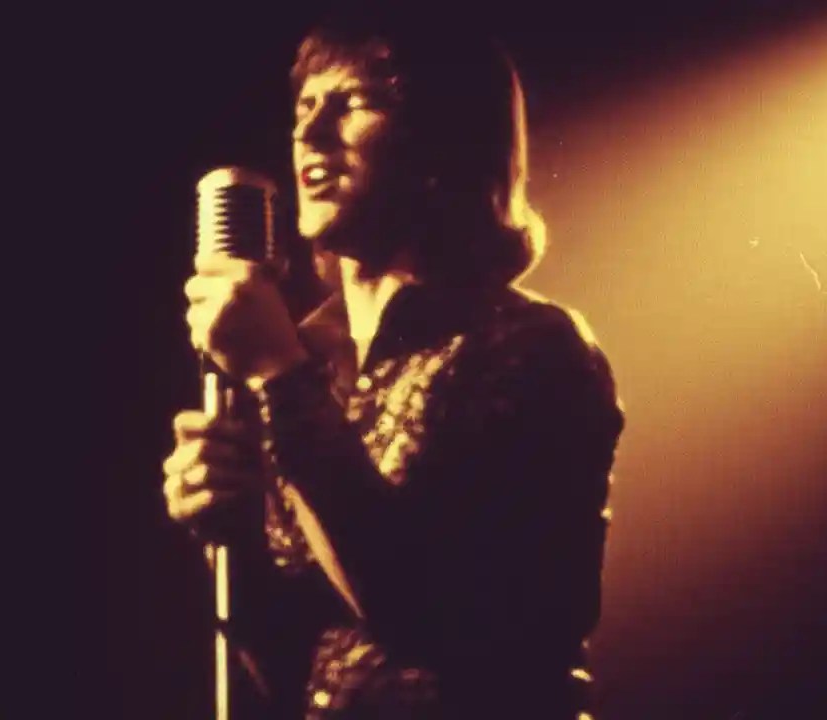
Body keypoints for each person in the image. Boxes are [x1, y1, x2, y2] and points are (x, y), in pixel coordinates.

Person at [162, 5, 625, 718]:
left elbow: (435, 618)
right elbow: (300, 662)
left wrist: (279, 377)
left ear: (443, 139)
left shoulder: (530, 347)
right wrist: (232, 541)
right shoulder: (307, 363)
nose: (310, 131)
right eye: (306, 106)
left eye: (352, 104)